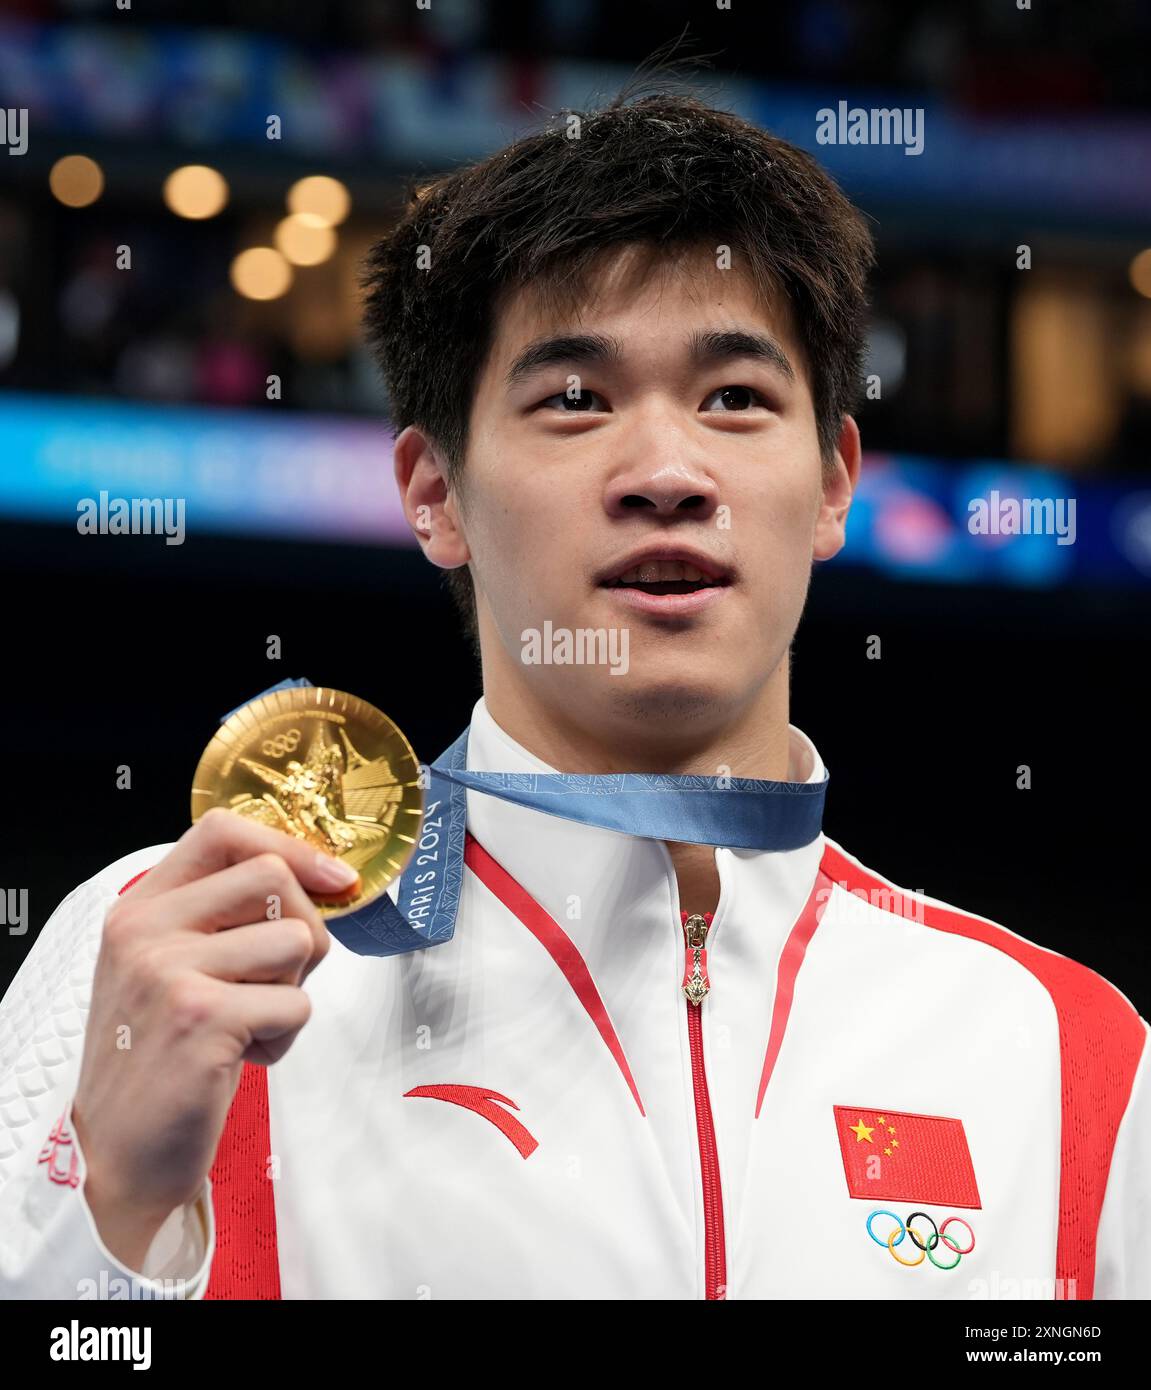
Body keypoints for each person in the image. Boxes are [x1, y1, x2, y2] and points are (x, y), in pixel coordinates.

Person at [1, 89, 1147, 1301]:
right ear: (434, 492)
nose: (665, 473)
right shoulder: (174, 954)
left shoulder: (1067, 1058)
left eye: (734, 397)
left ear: (829, 483)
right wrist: (114, 1220)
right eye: (573, 400)